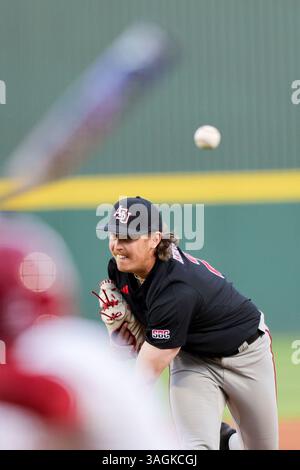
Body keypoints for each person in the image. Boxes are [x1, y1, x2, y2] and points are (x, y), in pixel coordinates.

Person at [99, 196, 279, 450]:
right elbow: (143, 341)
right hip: (192, 358)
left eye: (127, 237)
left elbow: (146, 371)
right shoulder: (121, 270)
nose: (117, 246)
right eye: (113, 235)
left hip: (247, 353)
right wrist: (121, 341)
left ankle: (226, 442)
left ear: (154, 239)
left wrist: (111, 416)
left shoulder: (176, 288)